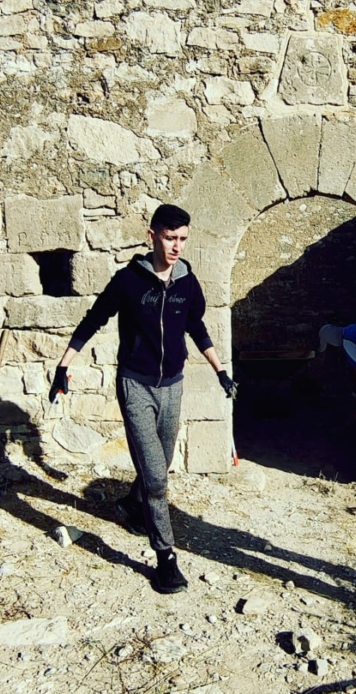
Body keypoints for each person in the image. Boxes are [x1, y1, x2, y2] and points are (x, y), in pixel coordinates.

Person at [49, 203, 235, 595]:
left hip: (173, 385)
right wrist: (63, 366)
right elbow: (93, 319)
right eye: (170, 238)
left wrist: (220, 370)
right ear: (151, 236)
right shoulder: (128, 281)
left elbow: (196, 326)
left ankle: (133, 506)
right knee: (156, 478)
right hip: (135, 385)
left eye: (182, 239)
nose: (176, 247)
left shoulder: (187, 282)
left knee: (161, 462)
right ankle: (165, 557)